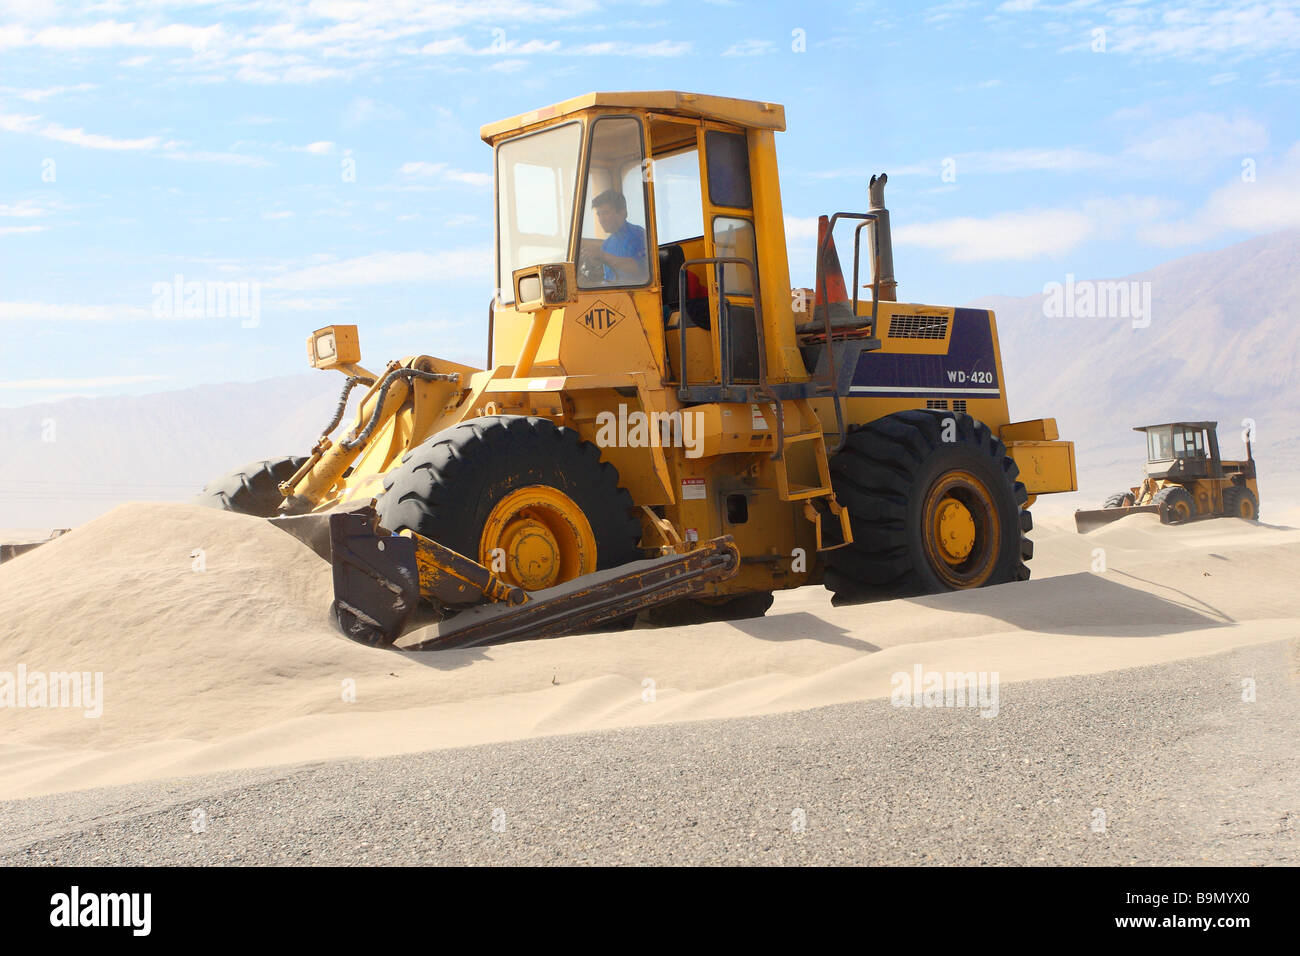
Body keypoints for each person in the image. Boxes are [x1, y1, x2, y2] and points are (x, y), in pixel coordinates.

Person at [586, 189, 647, 284]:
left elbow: (641, 269)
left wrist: (603, 256)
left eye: (605, 213)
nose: (601, 219)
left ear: (623, 213)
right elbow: (608, 281)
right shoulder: (606, 245)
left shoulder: (638, 235)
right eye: (599, 214)